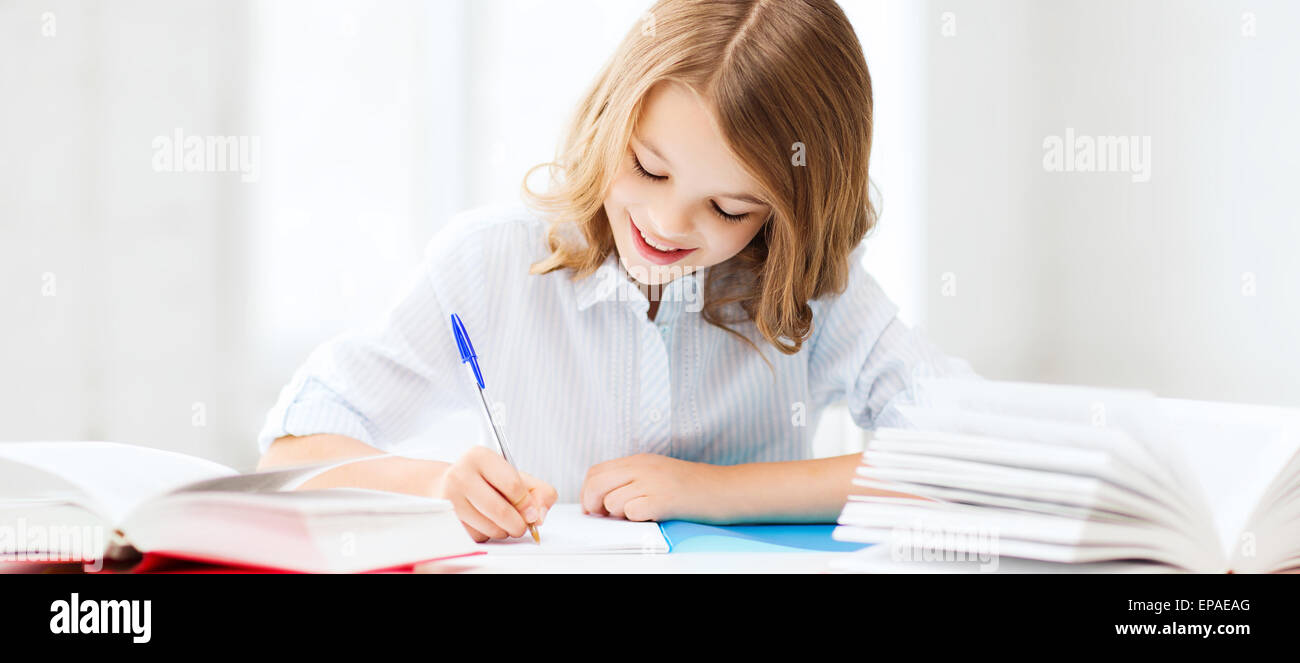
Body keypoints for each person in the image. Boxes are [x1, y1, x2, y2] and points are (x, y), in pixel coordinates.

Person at [256, 0, 976, 542]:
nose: (666, 225)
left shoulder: (806, 286)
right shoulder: (491, 263)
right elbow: (291, 453)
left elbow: (967, 457)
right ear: (610, 119)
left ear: (788, 216)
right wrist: (435, 483)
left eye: (728, 208)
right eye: (648, 168)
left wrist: (709, 491)